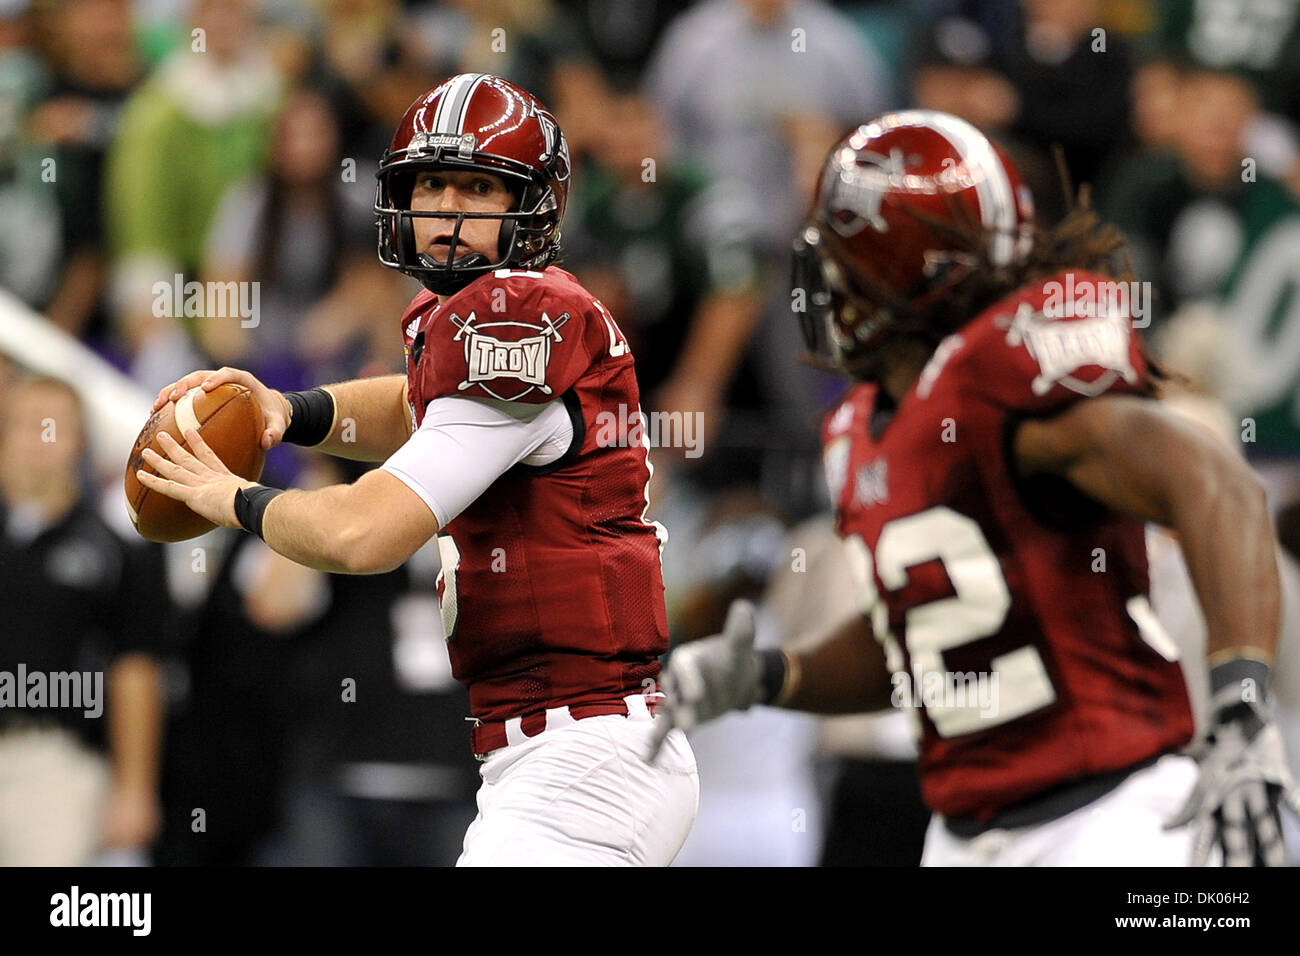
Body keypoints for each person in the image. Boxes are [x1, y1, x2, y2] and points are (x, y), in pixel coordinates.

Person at [650, 110, 1300, 866]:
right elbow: (925, 628)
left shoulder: (1003, 385)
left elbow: (1219, 484)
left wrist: (1241, 701)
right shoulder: (871, 424)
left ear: (899, 274)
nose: (825, 279)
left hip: (1112, 822)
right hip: (966, 836)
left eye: (842, 257)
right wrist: (771, 672)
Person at [136, 73, 698, 867]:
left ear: (534, 207)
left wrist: (227, 495)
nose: (447, 210)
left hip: (586, 755)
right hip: (556, 751)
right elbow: (417, 411)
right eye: (431, 183)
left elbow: (366, 533)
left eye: (479, 187)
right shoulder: (471, 322)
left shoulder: (518, 315)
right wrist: (288, 411)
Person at [0, 374, 166, 865]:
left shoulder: (113, 552)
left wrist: (135, 788)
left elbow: (134, 670)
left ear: (80, 443)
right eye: (24, 425)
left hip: (54, 762)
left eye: (53, 427)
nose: (38, 441)